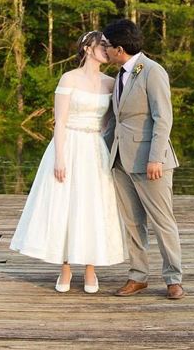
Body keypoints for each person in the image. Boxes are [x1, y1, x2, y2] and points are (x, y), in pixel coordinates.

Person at [10, 30, 125, 293]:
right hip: (69, 145)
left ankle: (90, 269)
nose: (106, 50)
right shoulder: (69, 78)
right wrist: (60, 158)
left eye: (108, 46)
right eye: (101, 45)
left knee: (92, 206)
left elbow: (109, 121)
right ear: (87, 48)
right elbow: (59, 121)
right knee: (65, 204)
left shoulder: (111, 82)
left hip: (94, 148)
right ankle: (64, 268)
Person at [101, 19, 184, 300]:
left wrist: (156, 158)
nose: (104, 50)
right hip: (121, 162)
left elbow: (164, 118)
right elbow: (117, 121)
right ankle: (138, 276)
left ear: (119, 48)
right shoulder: (119, 77)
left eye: (106, 46)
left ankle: (173, 279)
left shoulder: (152, 71)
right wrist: (100, 150)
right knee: (133, 223)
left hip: (151, 162)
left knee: (163, 222)